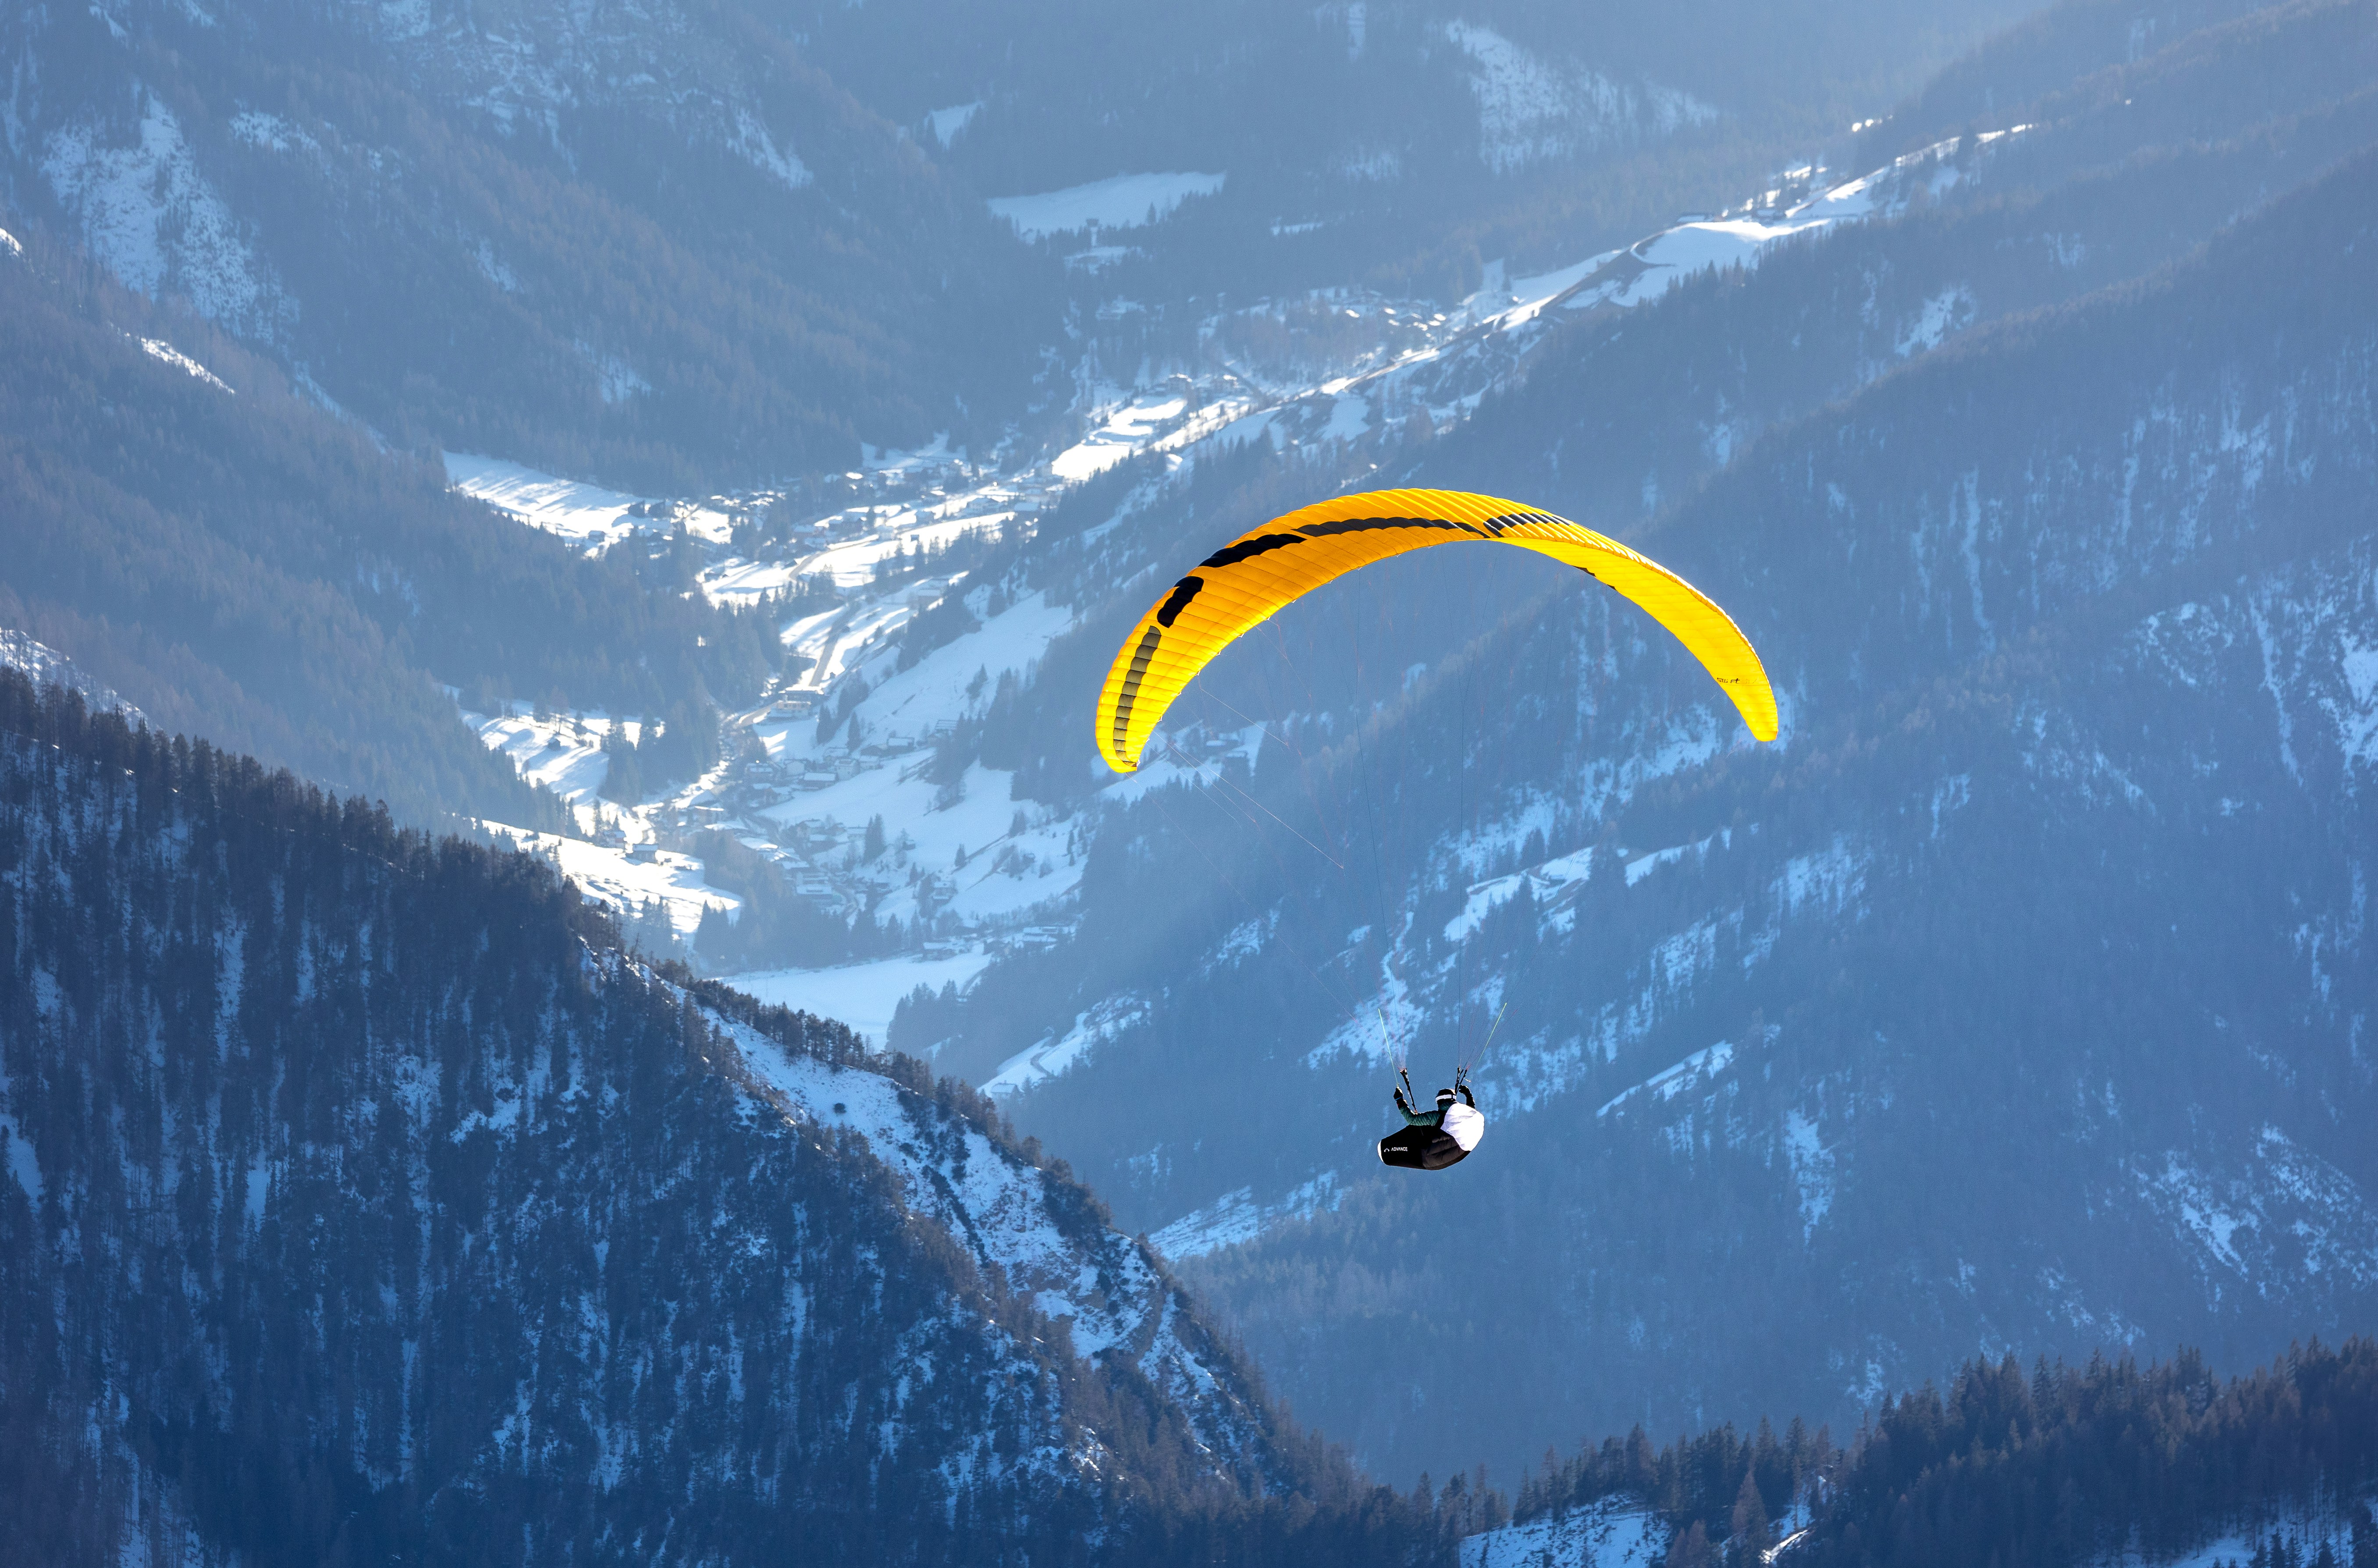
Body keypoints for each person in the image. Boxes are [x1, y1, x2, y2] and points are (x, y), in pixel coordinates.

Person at [1377, 1069, 1486, 1171]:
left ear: (1440, 1102)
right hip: (1442, 1160)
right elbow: (1471, 1113)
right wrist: (1468, 1095)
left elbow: (1412, 1120)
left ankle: (1387, 1151)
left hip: (1427, 1155)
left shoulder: (1438, 1116)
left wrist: (1400, 1100)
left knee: (1416, 1128)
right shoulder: (1461, 1117)